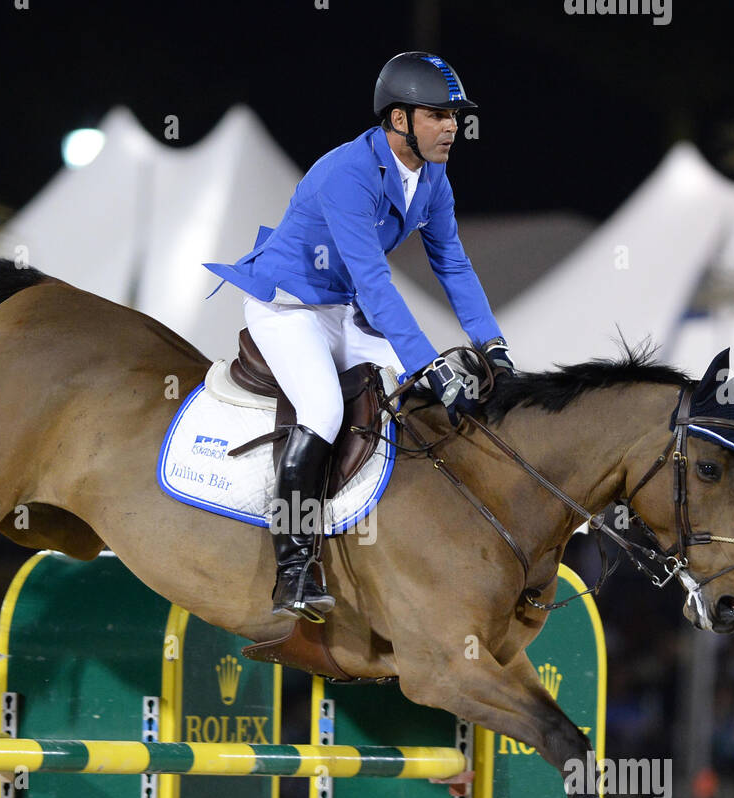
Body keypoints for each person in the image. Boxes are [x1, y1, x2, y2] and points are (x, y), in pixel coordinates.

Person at [204, 51, 513, 621]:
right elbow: (374, 281)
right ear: (399, 120)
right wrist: (428, 360)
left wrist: (492, 345)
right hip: (288, 307)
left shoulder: (433, 175)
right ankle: (293, 569)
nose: (453, 127)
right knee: (321, 410)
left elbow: (454, 264)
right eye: (438, 115)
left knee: (434, 384)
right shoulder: (347, 173)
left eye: (454, 116)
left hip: (340, 310)